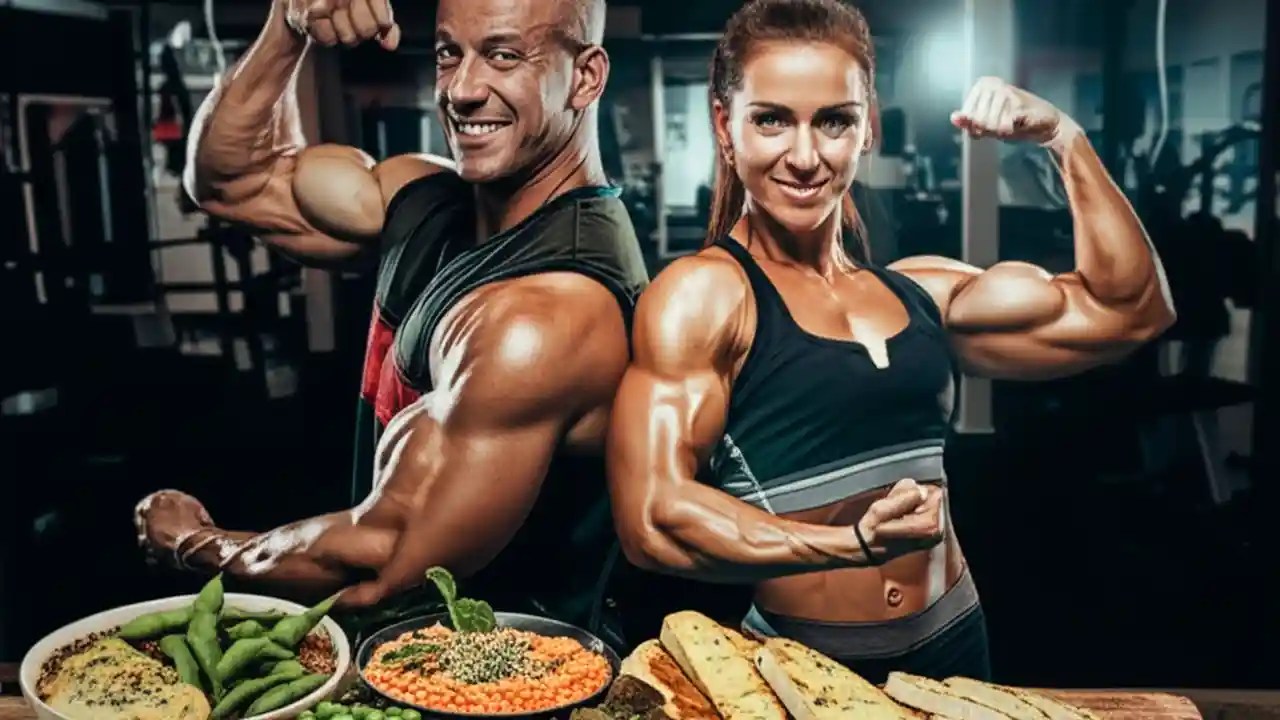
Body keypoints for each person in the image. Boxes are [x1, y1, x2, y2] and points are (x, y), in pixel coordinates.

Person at [606, 0, 1175, 681]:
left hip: (956, 639)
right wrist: (846, 545)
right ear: (727, 128)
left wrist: (1063, 137)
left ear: (867, 126)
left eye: (834, 121)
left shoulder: (922, 294)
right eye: (773, 120)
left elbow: (1130, 309)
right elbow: (651, 518)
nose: (806, 156)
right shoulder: (707, 296)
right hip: (803, 665)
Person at [133, 0, 651, 645]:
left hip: (510, 682)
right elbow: (231, 180)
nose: (461, 90)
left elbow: (387, 561)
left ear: (586, 77)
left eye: (504, 55)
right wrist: (287, 26)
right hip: (397, 654)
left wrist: (193, 544)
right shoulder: (423, 199)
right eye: (448, 53)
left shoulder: (547, 313)